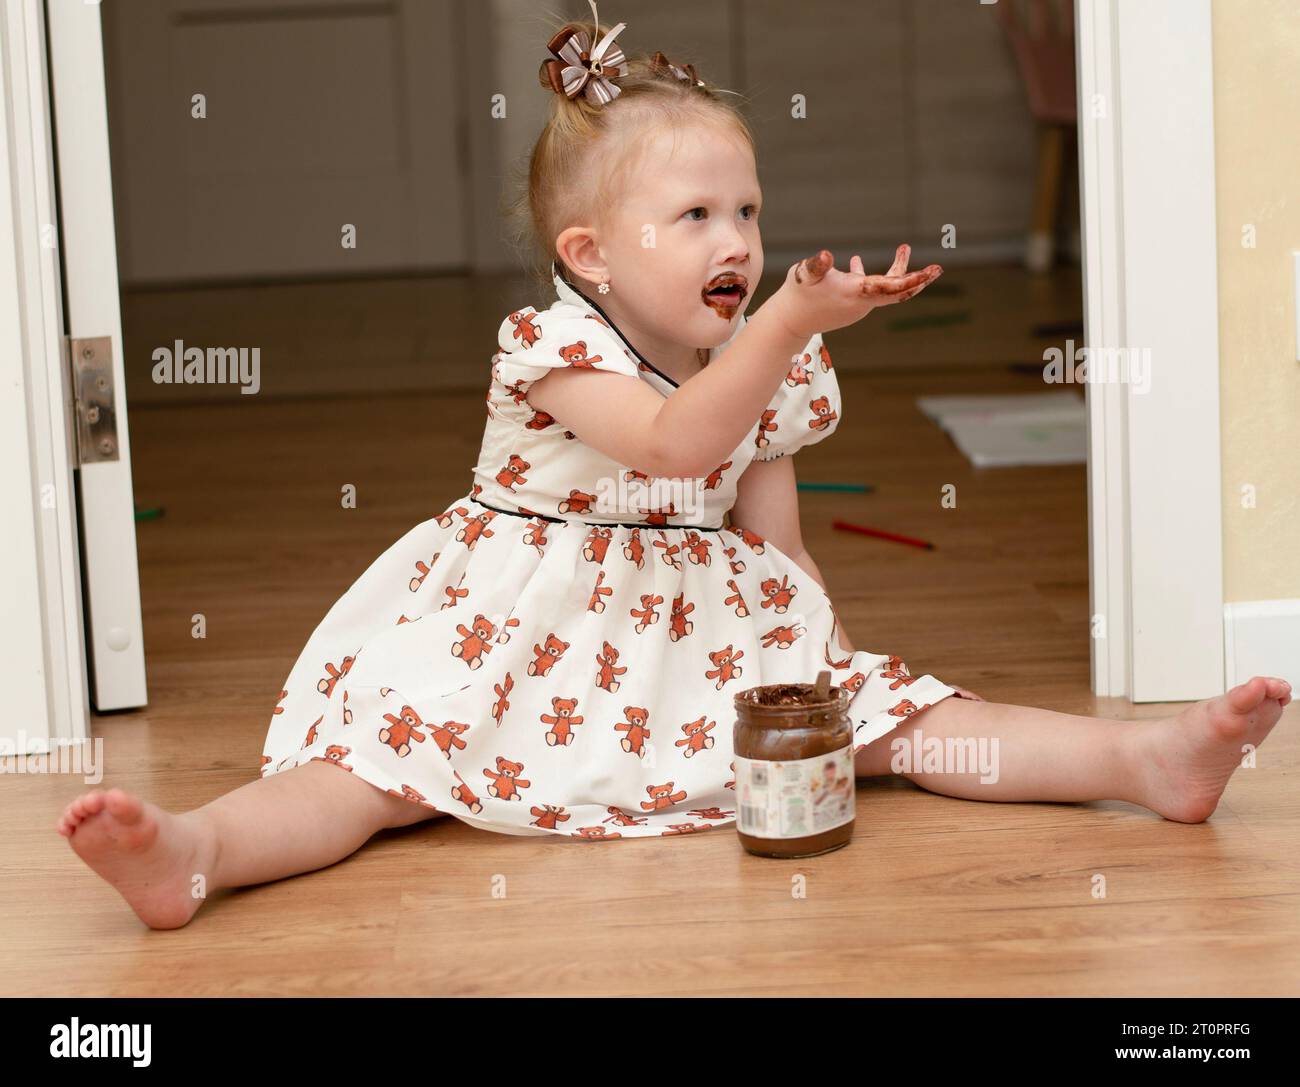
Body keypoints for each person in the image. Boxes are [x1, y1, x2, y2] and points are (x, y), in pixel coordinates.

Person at [57, 2, 1290, 929]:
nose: (738, 241)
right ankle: (196, 850)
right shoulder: (552, 343)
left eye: (747, 212)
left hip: (696, 635)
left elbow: (773, 538)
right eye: (695, 216)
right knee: (381, 768)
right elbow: (670, 443)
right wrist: (785, 326)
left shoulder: (770, 366)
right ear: (590, 253)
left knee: (910, 724)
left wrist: (813, 666)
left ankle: (1142, 760)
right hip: (514, 626)